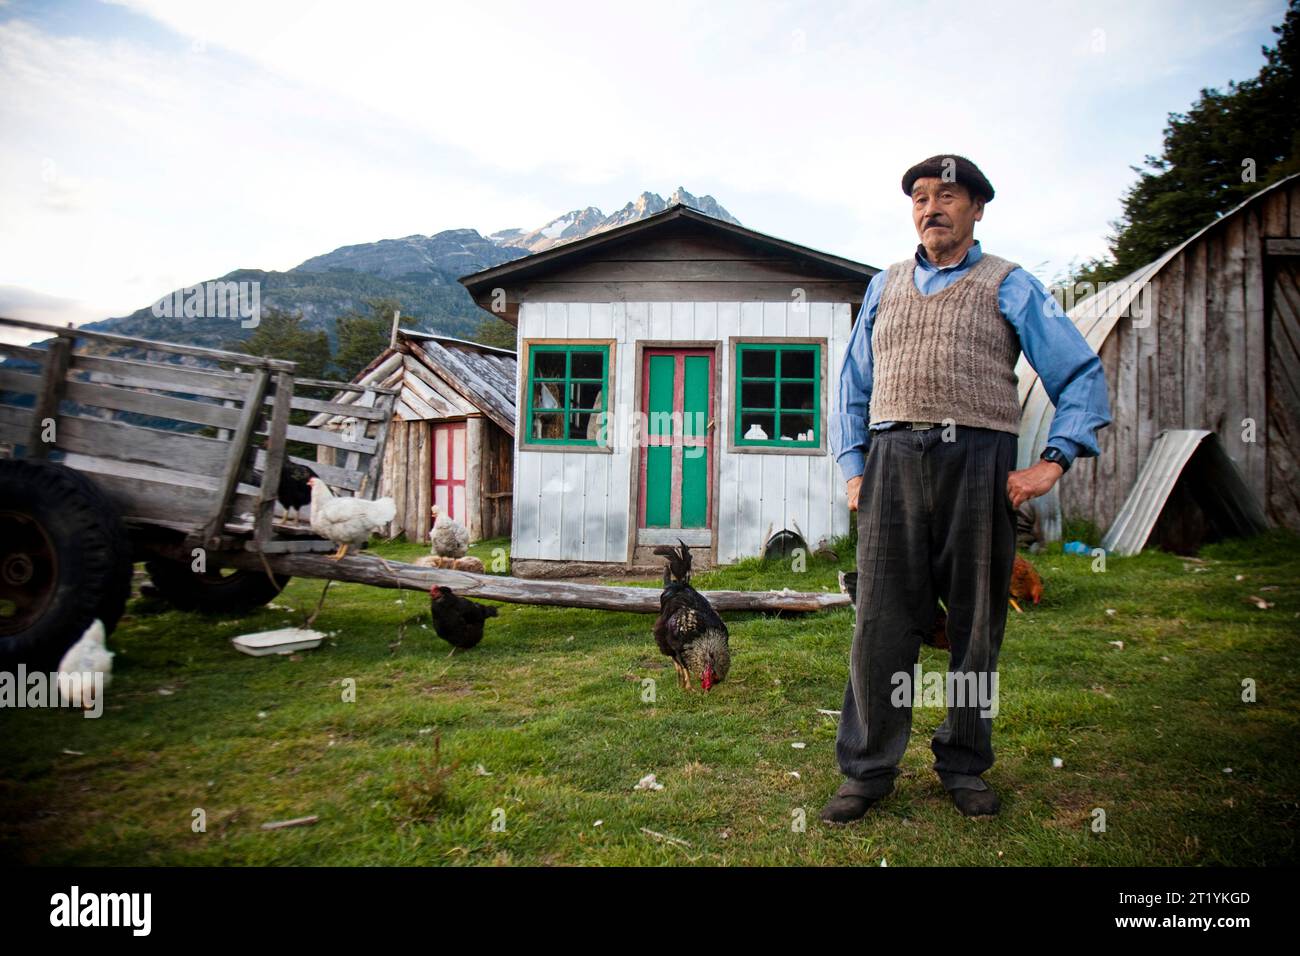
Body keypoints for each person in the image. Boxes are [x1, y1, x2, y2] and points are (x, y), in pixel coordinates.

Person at [822, 154, 1112, 822]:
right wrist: (854, 467)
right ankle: (867, 769)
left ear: (977, 208)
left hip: (979, 458)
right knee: (880, 624)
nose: (932, 208)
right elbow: (852, 386)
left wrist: (1055, 459)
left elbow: (1080, 375)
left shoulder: (1010, 284)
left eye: (947, 195)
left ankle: (963, 760)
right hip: (893, 458)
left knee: (976, 627)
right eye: (920, 197)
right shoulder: (883, 286)